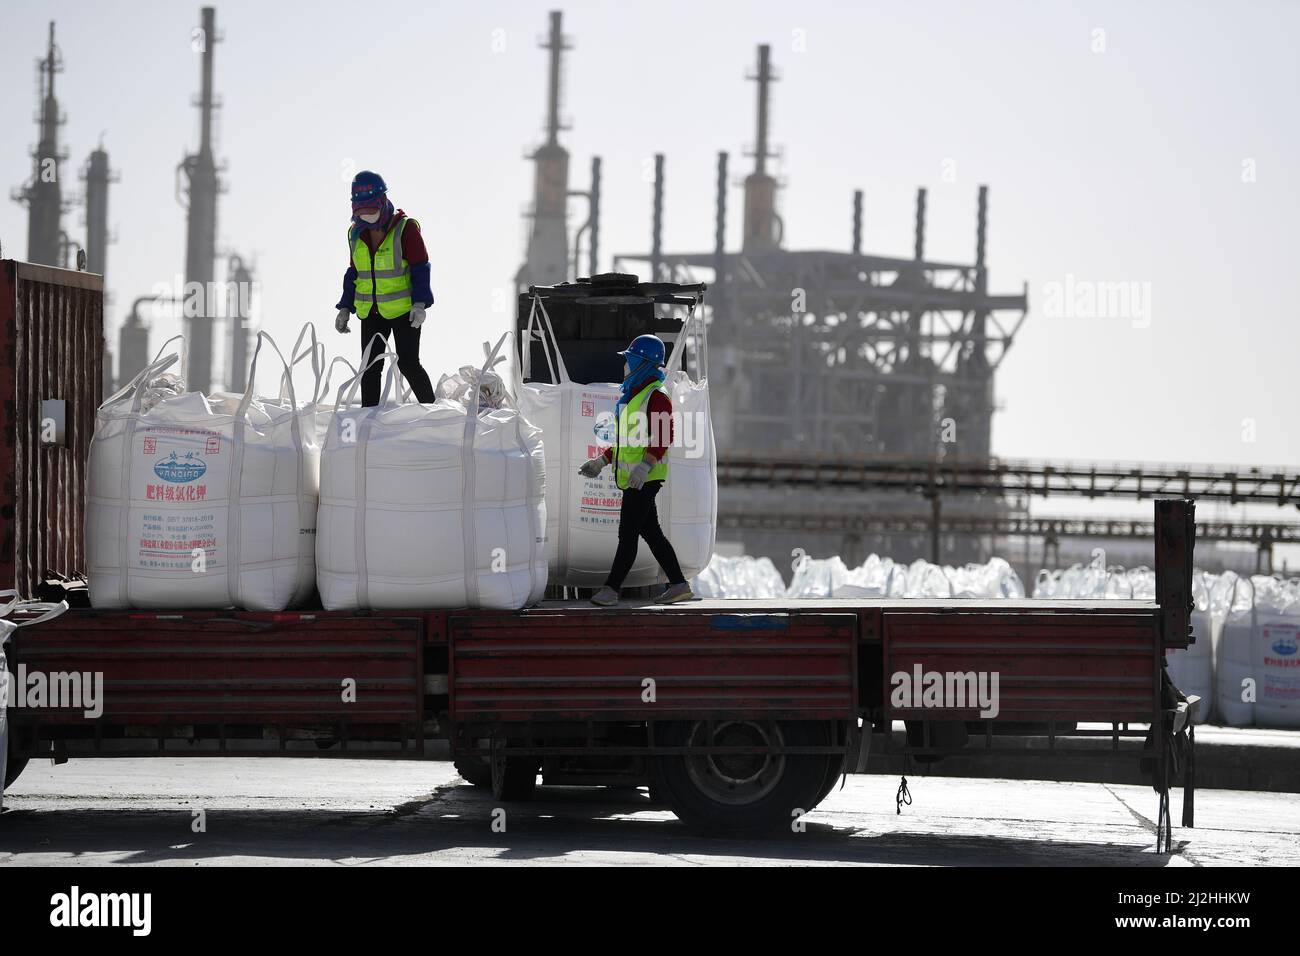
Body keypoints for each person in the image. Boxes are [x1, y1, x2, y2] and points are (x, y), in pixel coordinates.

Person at [579, 335, 694, 606]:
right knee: (650, 532)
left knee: (627, 534)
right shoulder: (634, 395)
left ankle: (611, 589)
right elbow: (626, 442)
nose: (625, 365)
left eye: (629, 360)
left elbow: (664, 435)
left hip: (645, 478)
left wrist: (645, 466)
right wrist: (601, 462)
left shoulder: (656, 395)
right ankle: (679, 585)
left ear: (642, 362)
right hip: (635, 476)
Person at [334, 170, 436, 407]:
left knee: (408, 363)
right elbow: (354, 273)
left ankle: (433, 411)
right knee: (369, 367)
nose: (367, 216)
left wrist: (420, 303)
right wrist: (345, 307)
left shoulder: (405, 229)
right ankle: (367, 420)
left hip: (404, 311)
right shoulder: (355, 234)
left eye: (370, 210)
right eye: (361, 212)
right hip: (371, 311)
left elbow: (421, 267)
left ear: (382, 202)